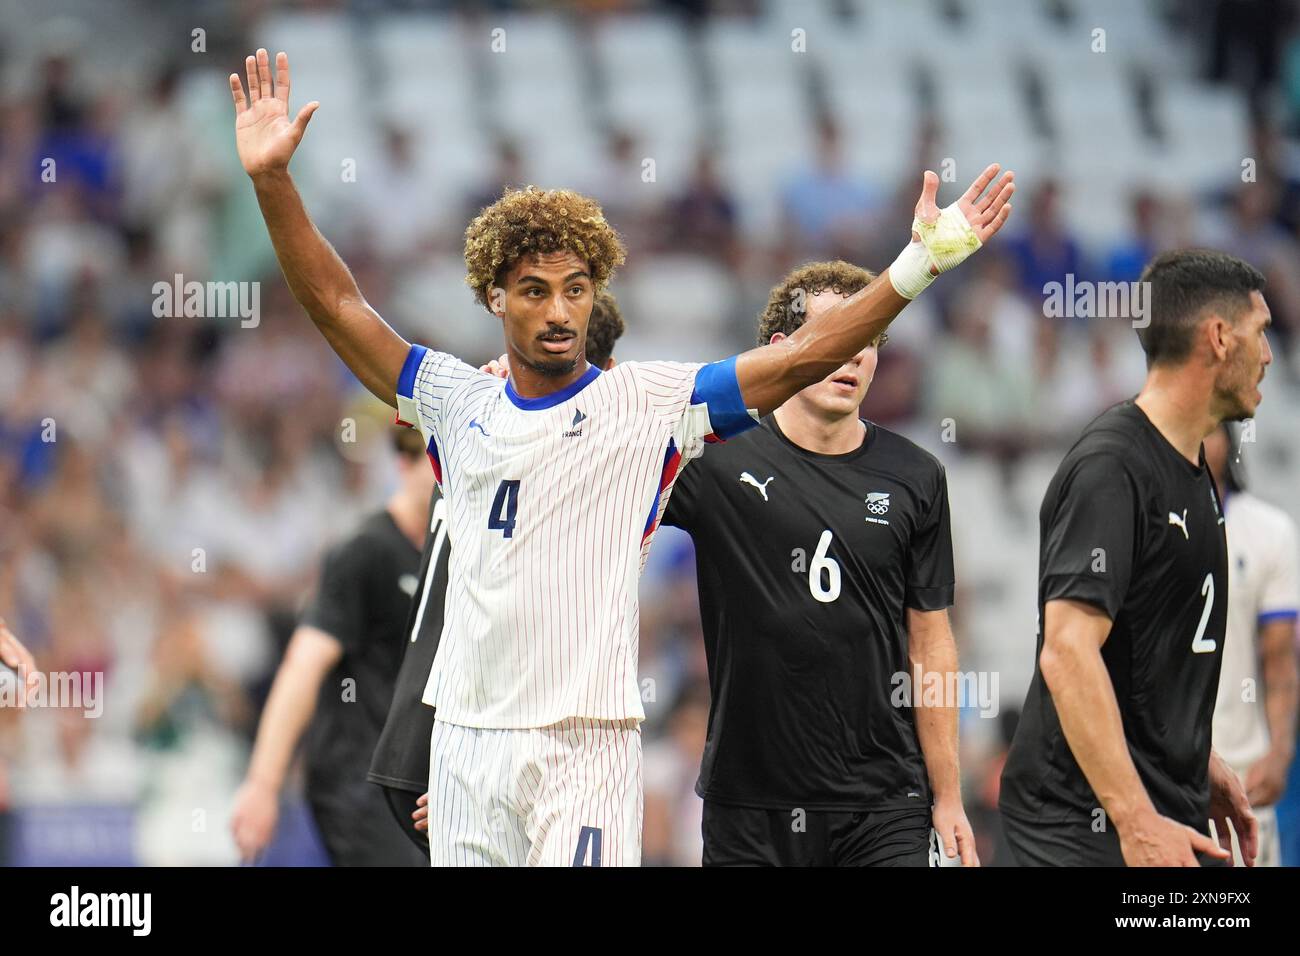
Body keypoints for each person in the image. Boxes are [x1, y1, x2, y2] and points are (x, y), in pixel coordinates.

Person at [228, 48, 1014, 866]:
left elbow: (795, 361)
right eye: (535, 290)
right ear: (496, 297)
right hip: (466, 745)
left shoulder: (647, 407)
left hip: (587, 747)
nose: (560, 309)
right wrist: (272, 182)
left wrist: (917, 266)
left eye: (577, 288)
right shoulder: (454, 402)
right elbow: (337, 304)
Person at [660, 261, 974, 866]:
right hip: (750, 805)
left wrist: (949, 794)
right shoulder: (713, 463)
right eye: (836, 339)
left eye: (867, 343)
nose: (853, 357)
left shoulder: (917, 475)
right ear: (784, 352)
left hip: (884, 805)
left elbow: (930, 642)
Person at [1000, 249, 1270, 866]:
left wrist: (1193, 760)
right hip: (1078, 832)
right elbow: (1068, 651)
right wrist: (1134, 817)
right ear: (1220, 337)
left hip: (1160, 817)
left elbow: (1141, 655)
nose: (1271, 355)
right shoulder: (1113, 467)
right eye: (1261, 333)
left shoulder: (1194, 470)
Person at [373, 291, 626, 849]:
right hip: (466, 735)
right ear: (605, 373)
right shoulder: (571, 455)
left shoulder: (478, 429)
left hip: (427, 728)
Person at [230, 428, 435, 865]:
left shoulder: (449, 554)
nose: (443, 477)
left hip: (417, 785)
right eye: (432, 462)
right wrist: (263, 784)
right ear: (403, 464)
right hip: (358, 782)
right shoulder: (364, 552)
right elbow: (303, 664)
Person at [1204, 423, 1298, 867]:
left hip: (1246, 781)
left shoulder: (1269, 532)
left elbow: (1279, 660)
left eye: (1212, 429)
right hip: (1165, 788)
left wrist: (1280, 752)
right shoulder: (1139, 529)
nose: (1202, 441)